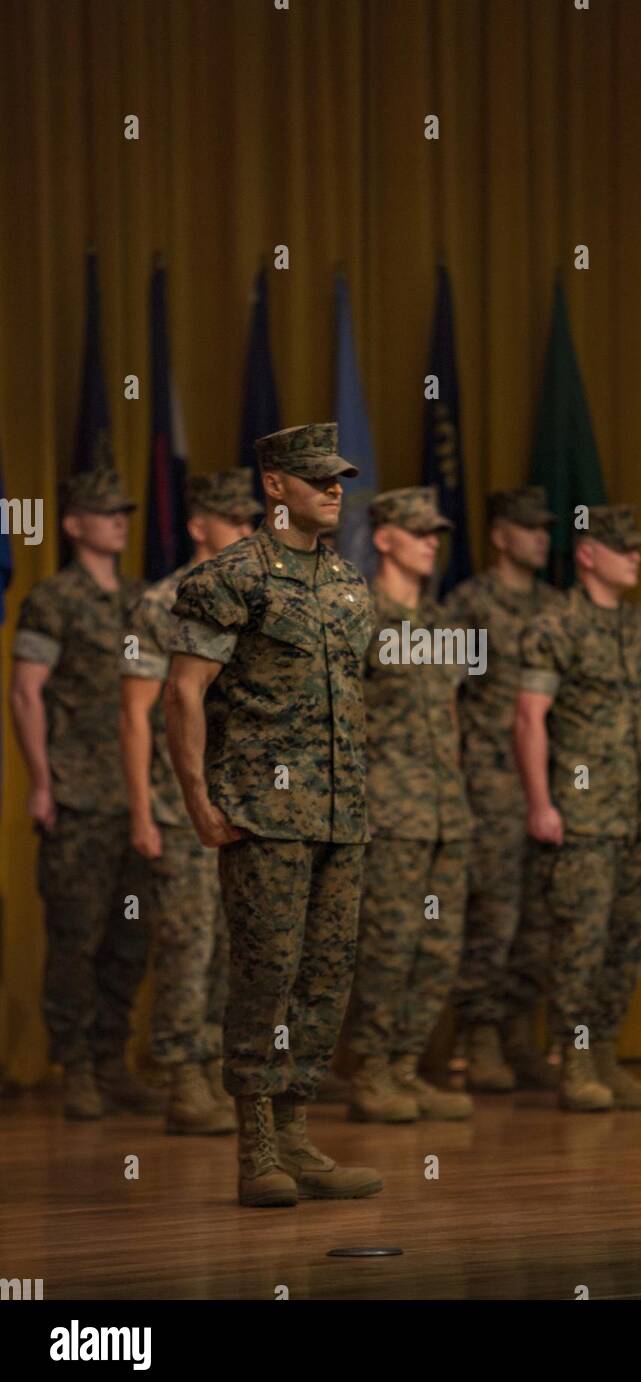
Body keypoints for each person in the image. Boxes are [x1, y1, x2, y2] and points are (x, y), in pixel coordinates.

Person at [165, 423, 383, 1206]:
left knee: (326, 978)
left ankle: (296, 1132)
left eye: (339, 479)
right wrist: (199, 800)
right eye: (317, 478)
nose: (334, 490)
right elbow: (182, 693)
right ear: (274, 486)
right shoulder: (231, 578)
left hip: (340, 814)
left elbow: (359, 701)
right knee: (267, 974)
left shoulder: (351, 585)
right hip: (263, 812)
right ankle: (255, 1147)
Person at [10, 467, 163, 1120]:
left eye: (123, 511)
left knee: (131, 937)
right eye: (104, 512)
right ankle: (74, 1066)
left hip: (138, 798)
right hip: (77, 796)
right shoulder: (53, 599)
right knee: (76, 936)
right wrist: (43, 782)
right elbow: (25, 692)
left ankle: (110, 1058)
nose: (118, 521)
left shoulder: (142, 599)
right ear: (72, 524)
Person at [120, 469, 260, 1136]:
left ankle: (214, 1065)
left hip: (245, 803)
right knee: (187, 940)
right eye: (230, 519)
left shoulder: (255, 601)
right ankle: (181, 1074)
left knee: (232, 945)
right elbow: (135, 716)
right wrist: (144, 812)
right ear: (199, 525)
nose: (243, 530)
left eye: (249, 519)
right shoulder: (160, 603)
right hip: (179, 805)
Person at [514, 506, 641, 1112]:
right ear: (586, 554)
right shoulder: (556, 626)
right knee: (581, 940)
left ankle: (606, 1054)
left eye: (638, 548)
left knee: (627, 940)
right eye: (622, 547)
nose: (634, 556)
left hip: (634, 814)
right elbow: (529, 717)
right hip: (580, 815)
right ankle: (575, 1062)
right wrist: (541, 802)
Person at [348, 487, 473, 1123]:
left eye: (435, 533)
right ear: (383, 538)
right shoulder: (358, 618)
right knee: (388, 945)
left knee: (438, 948)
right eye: (418, 531)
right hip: (389, 813)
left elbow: (451, 716)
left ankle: (405, 1066)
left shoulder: (443, 625)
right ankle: (369, 1072)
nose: (432, 542)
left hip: (446, 812)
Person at [446, 486, 560, 1091]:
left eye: (545, 527)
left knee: (541, 917)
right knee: (493, 915)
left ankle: (520, 1033)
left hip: (547, 780)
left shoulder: (556, 606)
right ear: (499, 535)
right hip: (488, 780)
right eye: (528, 527)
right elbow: (447, 696)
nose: (541, 536)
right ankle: (480, 1037)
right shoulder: (471, 603)